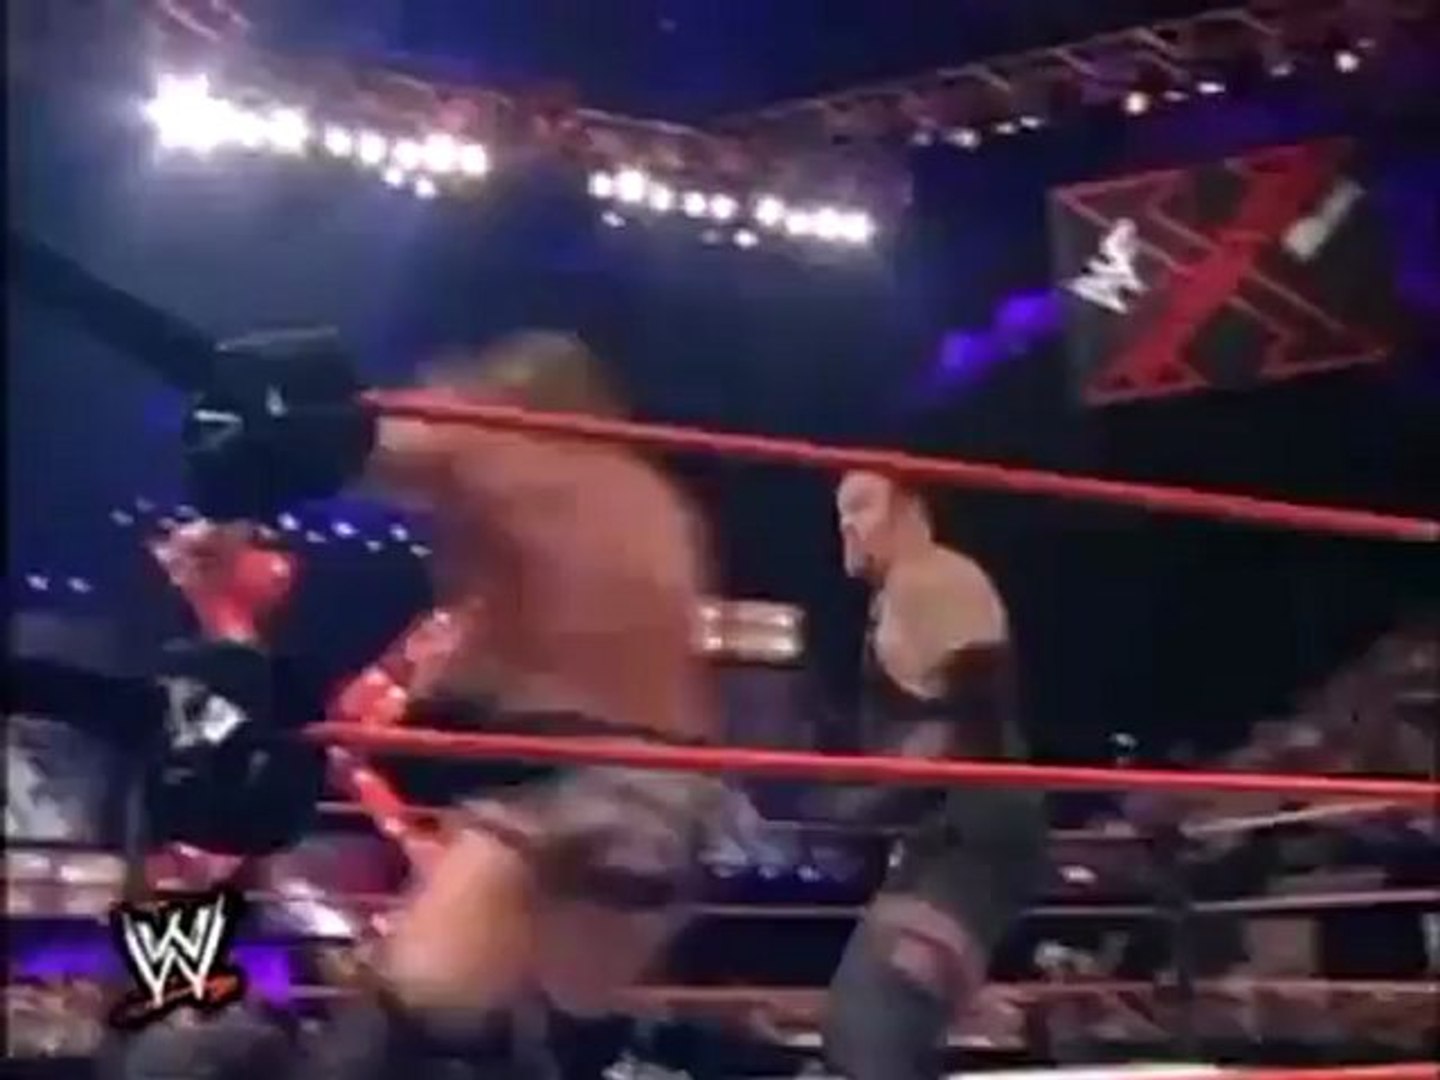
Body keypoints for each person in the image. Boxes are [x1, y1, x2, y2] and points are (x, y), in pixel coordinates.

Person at [160, 331, 727, 1078]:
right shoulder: (657, 503)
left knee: (398, 1024)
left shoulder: (507, 449)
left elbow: (346, 435)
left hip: (567, 790)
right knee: (548, 1038)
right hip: (675, 801)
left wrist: (231, 512)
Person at [821, 470, 1048, 1080]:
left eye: (862, 506)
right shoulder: (902, 591)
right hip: (946, 833)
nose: (847, 525)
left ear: (912, 509)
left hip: (973, 831)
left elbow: (973, 723)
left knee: (874, 1018)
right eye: (841, 512)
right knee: (875, 1025)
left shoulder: (934, 577)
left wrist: (856, 807)